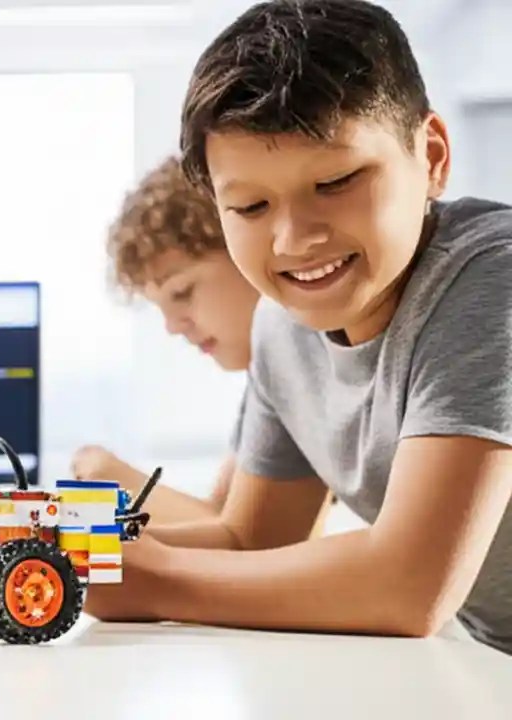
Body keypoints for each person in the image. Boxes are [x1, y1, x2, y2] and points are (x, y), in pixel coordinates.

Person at [83, 0, 512, 657]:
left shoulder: (492, 277)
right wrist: (80, 548)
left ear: (430, 156)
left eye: (336, 182)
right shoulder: (282, 331)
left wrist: (154, 577)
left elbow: (408, 586)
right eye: (251, 205)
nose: (296, 240)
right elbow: (251, 544)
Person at [72, 155, 274, 525]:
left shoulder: (306, 357)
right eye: (159, 307)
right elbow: (228, 520)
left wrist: (114, 480)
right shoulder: (270, 375)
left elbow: (251, 545)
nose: (172, 326)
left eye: (181, 293)